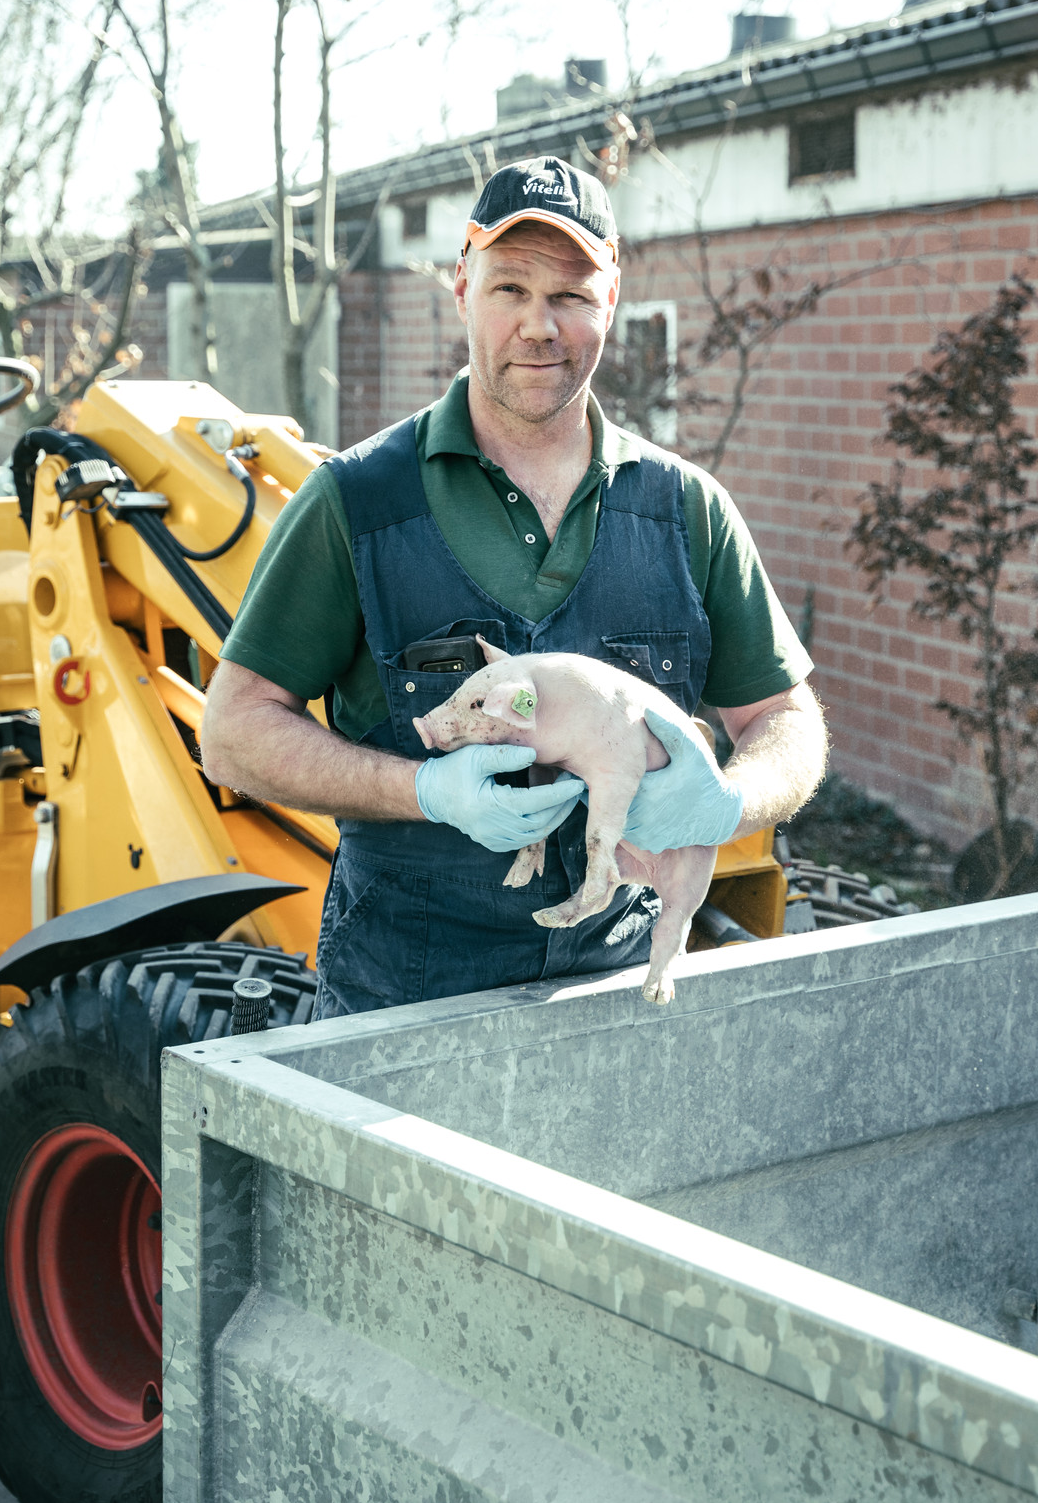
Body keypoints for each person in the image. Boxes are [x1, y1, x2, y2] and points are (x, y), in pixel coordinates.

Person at [201, 156, 826, 1018]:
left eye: (570, 294)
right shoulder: (357, 503)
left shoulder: (685, 511)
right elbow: (232, 733)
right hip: (396, 1018)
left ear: (612, 295)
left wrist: (729, 799)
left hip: (620, 1005)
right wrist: (420, 791)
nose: (540, 325)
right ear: (460, 285)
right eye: (510, 289)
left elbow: (785, 722)